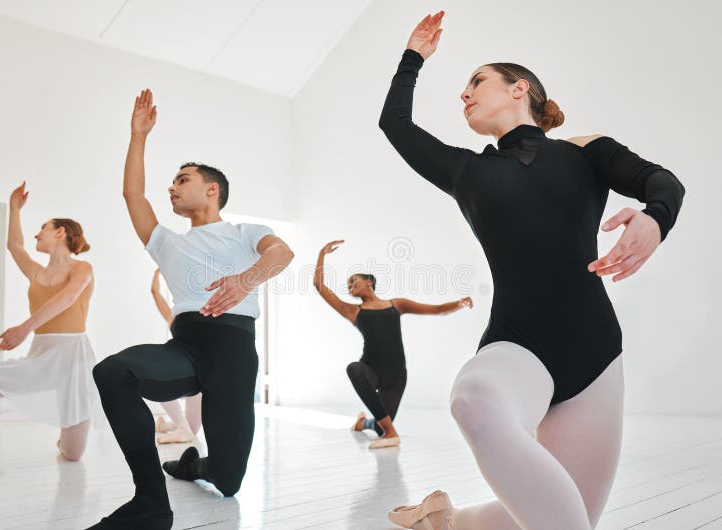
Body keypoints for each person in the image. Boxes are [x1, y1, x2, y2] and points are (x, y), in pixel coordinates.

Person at [380, 12, 685, 530]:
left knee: (567, 516)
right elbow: (397, 125)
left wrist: (655, 220)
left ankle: (442, 522)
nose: (465, 95)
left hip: (595, 357)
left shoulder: (586, 152)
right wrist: (413, 57)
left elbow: (663, 182)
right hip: (517, 345)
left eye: (477, 81)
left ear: (519, 88)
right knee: (474, 402)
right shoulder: (466, 170)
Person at [87, 89, 294, 530]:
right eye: (173, 182)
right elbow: (133, 195)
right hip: (185, 347)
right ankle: (149, 503)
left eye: (182, 179)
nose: (172, 187)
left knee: (228, 480)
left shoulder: (243, 232)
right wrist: (137, 136)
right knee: (112, 371)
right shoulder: (168, 243)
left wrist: (245, 280)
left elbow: (282, 254)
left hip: (233, 352)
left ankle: (192, 466)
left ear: (211, 189)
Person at [0, 182, 97, 476]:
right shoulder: (37, 272)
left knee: (74, 455)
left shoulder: (81, 268)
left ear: (61, 232)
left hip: (74, 360)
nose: (37, 233)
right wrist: (14, 209)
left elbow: (68, 298)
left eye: (43, 227)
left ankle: (67, 436)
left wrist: (24, 327)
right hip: (41, 358)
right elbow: (15, 246)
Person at [314, 240, 472, 449]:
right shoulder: (353, 311)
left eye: (354, 281)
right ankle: (391, 433)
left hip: (396, 376)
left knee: (378, 426)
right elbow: (320, 286)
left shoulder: (396, 305)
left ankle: (364, 423)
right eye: (348, 285)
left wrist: (459, 304)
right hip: (370, 370)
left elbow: (437, 309)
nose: (350, 286)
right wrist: (322, 254)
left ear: (369, 281)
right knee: (354, 369)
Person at [150, 269, 203, 444]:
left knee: (193, 429)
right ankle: (180, 427)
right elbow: (155, 292)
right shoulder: (174, 318)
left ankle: (166, 426)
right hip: (185, 370)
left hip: (200, 378)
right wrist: (159, 272)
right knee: (155, 377)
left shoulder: (204, 314)